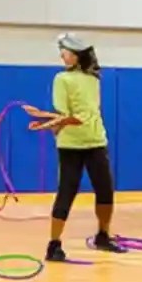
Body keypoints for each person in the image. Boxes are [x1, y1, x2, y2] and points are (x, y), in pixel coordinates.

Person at [41, 33, 125, 261]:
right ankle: (54, 244)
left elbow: (88, 111)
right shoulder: (61, 79)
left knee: (105, 190)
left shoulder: (93, 79)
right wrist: (52, 124)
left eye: (65, 52)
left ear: (77, 56)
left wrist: (57, 122)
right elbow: (63, 113)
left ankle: (103, 235)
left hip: (96, 141)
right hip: (70, 145)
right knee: (67, 192)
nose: (62, 55)